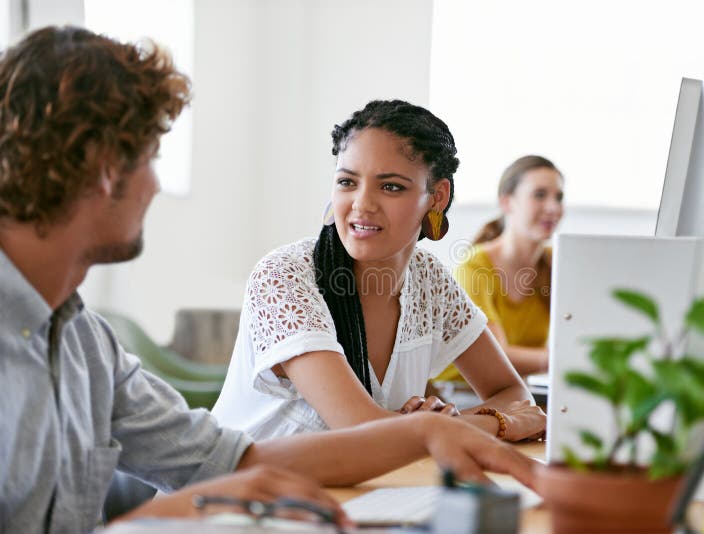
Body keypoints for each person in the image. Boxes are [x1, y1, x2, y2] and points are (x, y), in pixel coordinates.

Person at [0, 27, 540, 533]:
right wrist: (143, 523)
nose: (156, 185)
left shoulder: (84, 345)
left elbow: (233, 461)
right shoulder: (288, 272)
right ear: (104, 169)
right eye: (150, 157)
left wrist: (429, 429)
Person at [212, 100, 547, 442]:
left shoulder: (430, 279)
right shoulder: (283, 276)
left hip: (359, 492)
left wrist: (434, 424)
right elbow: (364, 431)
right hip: (236, 493)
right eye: (347, 182)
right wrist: (494, 423)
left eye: (390, 187)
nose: (362, 204)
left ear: (437, 197)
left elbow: (515, 395)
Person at [435, 155, 564, 382]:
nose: (553, 207)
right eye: (540, 195)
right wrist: (563, 359)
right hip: (456, 395)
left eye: (559, 197)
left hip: (510, 393)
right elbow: (494, 356)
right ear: (507, 203)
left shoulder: (558, 264)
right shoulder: (475, 268)